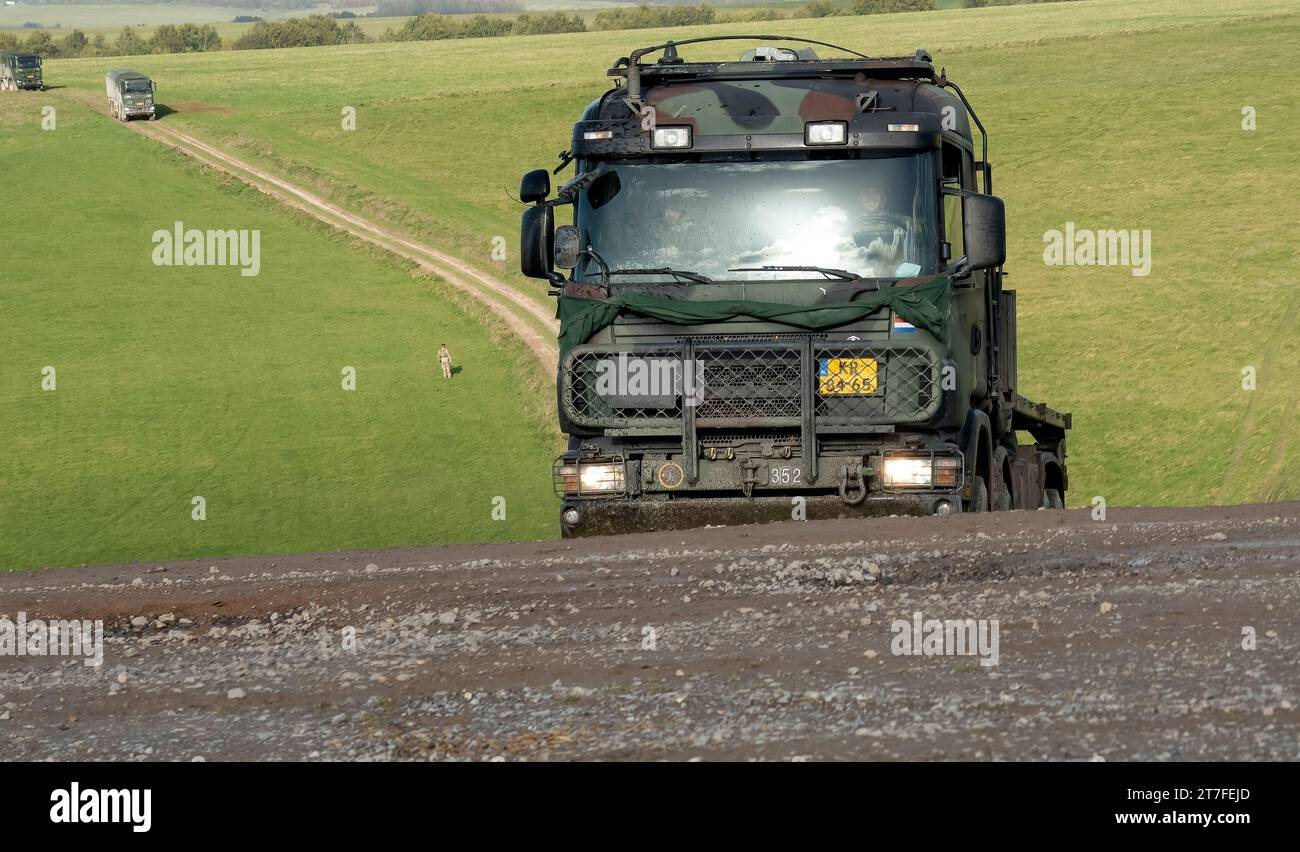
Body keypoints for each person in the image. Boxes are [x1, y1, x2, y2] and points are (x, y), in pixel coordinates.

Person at [853, 179, 915, 276]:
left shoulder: (903, 222)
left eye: (876, 192)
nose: (871, 197)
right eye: (866, 192)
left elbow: (923, 239)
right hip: (857, 278)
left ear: (884, 198)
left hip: (895, 277)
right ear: (859, 199)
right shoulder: (848, 226)